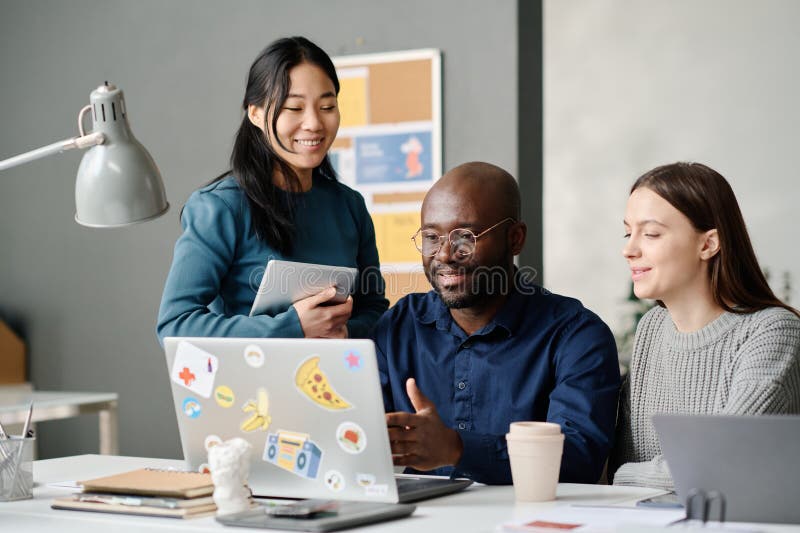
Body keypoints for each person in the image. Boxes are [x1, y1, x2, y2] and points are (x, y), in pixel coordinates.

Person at [371, 161, 621, 485]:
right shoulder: (400, 326)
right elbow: (353, 432)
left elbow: (577, 460)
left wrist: (457, 449)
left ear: (515, 239)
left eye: (466, 237)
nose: (445, 254)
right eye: (432, 237)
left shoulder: (576, 336)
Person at [156, 37, 388, 343]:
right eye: (294, 107)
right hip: (247, 388)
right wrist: (292, 327)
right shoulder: (221, 208)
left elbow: (375, 310)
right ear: (255, 113)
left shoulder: (349, 206)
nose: (314, 123)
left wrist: (344, 330)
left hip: (333, 385)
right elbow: (175, 325)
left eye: (327, 106)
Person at [611, 162, 800, 490]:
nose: (629, 249)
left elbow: (716, 465)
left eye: (651, 233)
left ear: (708, 244)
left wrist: (623, 476)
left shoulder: (773, 332)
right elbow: (626, 459)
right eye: (629, 232)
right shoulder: (652, 329)